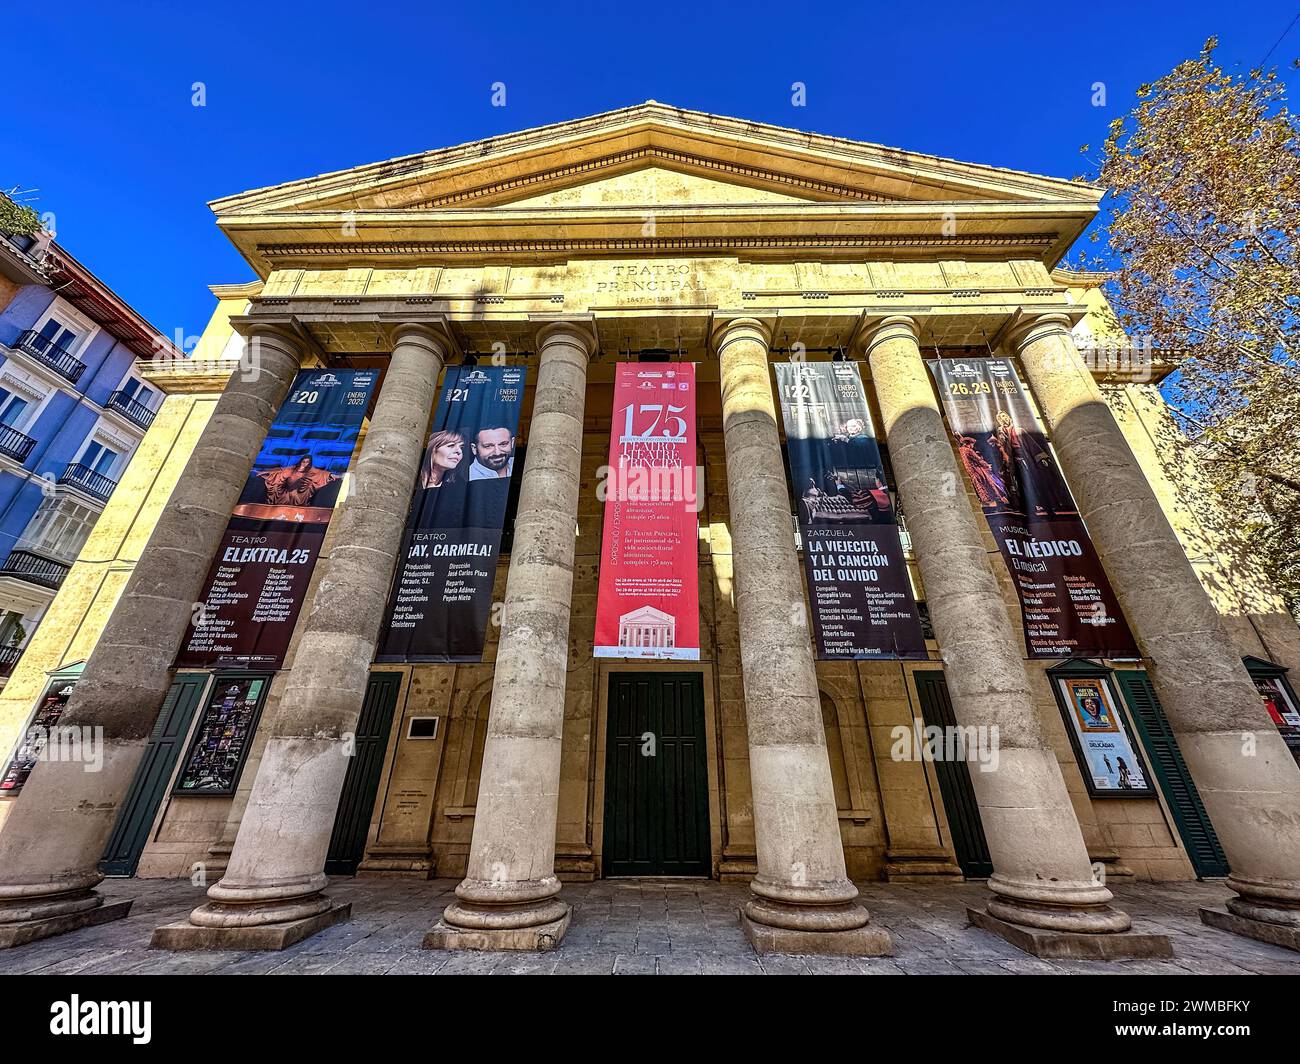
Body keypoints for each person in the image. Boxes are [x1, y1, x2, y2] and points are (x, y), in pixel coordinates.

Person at [256, 455, 340, 506]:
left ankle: (300, 504)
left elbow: (321, 473)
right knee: (277, 481)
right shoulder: (292, 468)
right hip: (285, 491)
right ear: (301, 461)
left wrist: (331, 475)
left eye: (307, 462)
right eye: (304, 461)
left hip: (299, 493)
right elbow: (281, 470)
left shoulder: (311, 470)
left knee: (309, 484)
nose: (305, 463)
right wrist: (265, 472)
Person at [953, 432, 1006, 508]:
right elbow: (979, 460)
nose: (972, 446)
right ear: (969, 443)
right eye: (972, 444)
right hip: (973, 470)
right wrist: (987, 465)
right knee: (986, 478)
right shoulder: (968, 450)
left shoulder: (960, 450)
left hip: (965, 470)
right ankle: (990, 499)